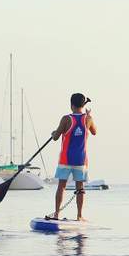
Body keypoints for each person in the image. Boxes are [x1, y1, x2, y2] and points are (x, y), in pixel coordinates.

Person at [47, 93, 97, 222]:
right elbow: (94, 131)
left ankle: (57, 214)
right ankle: (79, 215)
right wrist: (89, 116)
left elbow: (56, 137)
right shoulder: (88, 119)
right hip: (81, 160)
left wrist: (54, 133)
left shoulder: (66, 119)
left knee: (61, 186)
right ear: (83, 104)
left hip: (65, 160)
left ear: (71, 105)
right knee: (80, 187)